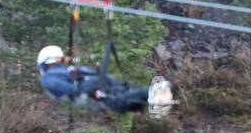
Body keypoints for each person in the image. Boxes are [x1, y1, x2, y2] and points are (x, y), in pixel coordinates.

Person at [36, 45, 173, 115]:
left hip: (91, 84)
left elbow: (85, 72)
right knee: (117, 101)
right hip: (85, 89)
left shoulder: (65, 70)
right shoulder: (49, 77)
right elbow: (60, 86)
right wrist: (79, 90)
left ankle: (151, 96)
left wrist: (93, 71)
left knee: (121, 91)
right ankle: (150, 96)